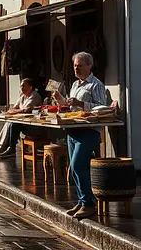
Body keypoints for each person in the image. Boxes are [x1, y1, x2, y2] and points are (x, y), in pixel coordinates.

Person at [54, 51, 108, 219]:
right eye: (75, 65)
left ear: (89, 66)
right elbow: (72, 108)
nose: (76, 68)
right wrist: (61, 101)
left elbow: (102, 108)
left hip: (89, 131)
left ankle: (89, 204)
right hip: (73, 130)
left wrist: (81, 104)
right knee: (74, 169)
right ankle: (82, 199)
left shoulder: (96, 85)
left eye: (79, 65)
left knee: (78, 165)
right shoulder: (75, 85)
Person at [0, 79, 42, 157]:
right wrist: (15, 111)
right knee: (9, 123)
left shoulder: (34, 96)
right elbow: (14, 107)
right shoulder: (22, 96)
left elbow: (25, 109)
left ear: (30, 87)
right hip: (23, 122)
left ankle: (11, 148)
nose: (22, 88)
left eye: (24, 86)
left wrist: (15, 111)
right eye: (21, 86)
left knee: (14, 125)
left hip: (33, 125)